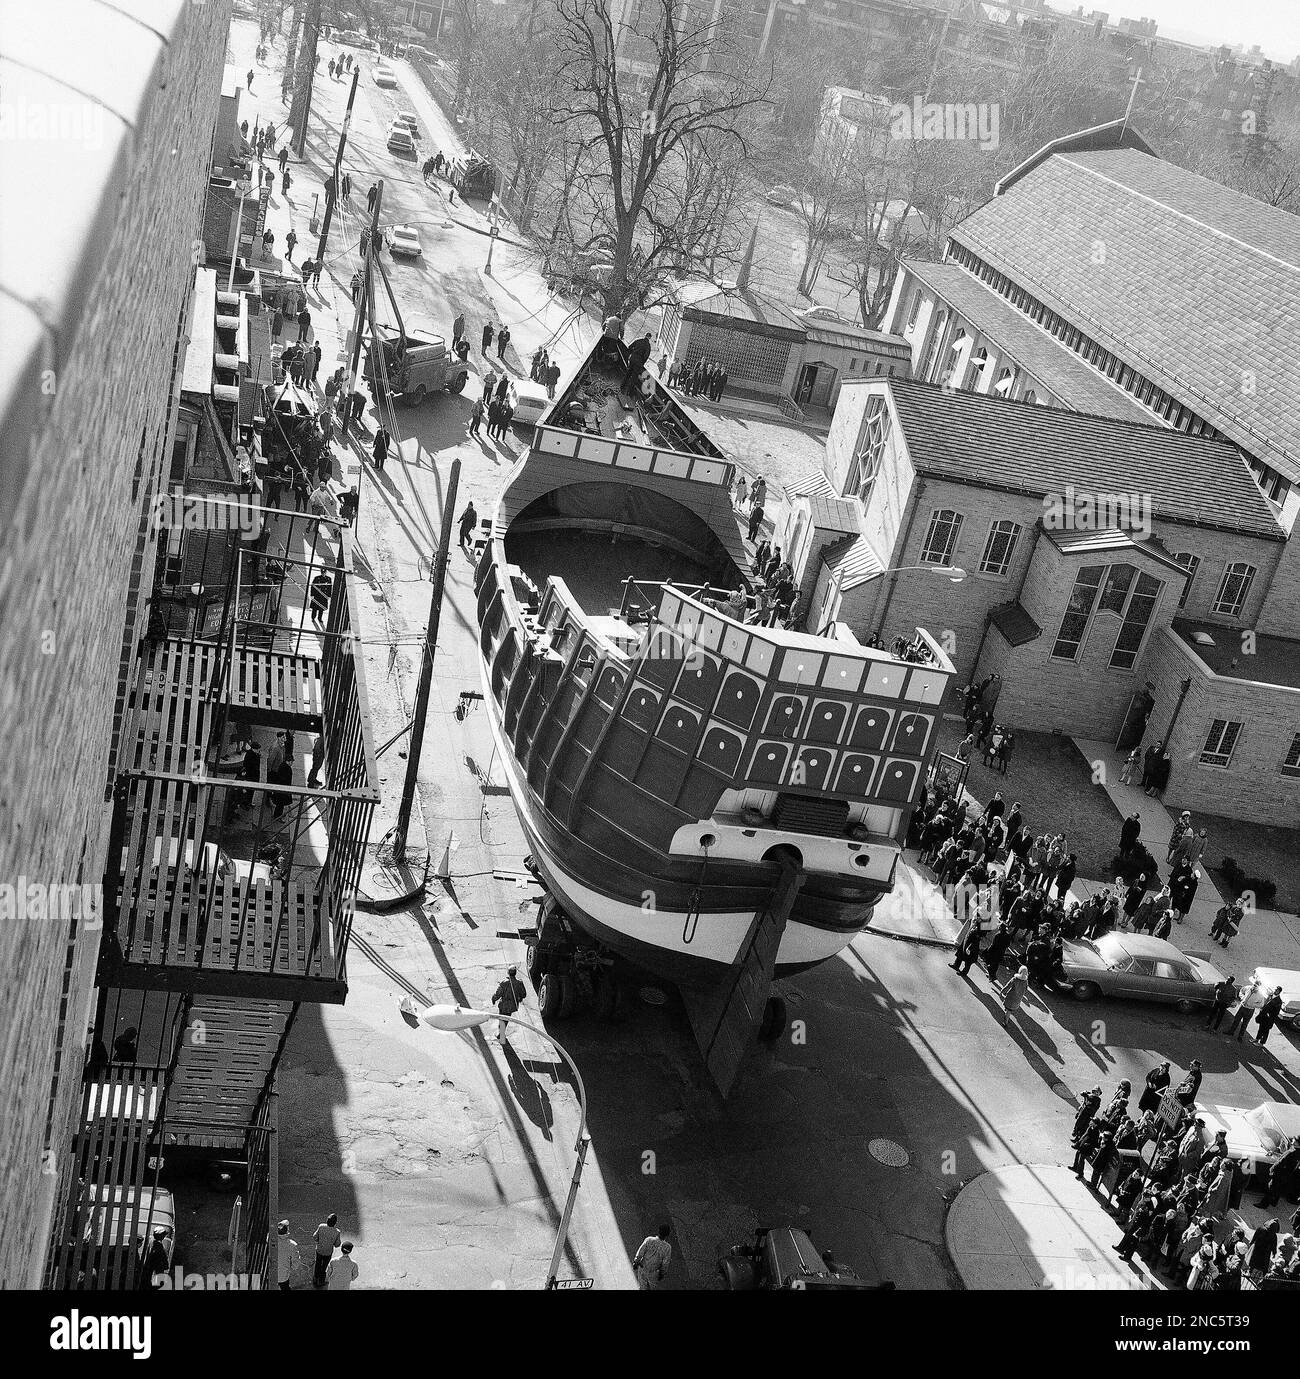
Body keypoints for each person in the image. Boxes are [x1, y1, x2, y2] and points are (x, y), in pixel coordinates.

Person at [491, 965, 526, 1042]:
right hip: (512, 1005)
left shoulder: (504, 983)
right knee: (506, 1019)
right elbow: (524, 994)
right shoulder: (519, 983)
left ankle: (501, 1035)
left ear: (508, 973)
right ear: (515, 973)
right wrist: (519, 998)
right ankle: (502, 1033)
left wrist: (493, 999)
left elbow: (498, 994)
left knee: (501, 1019)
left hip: (503, 1005)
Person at [632, 1225, 671, 1290]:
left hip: (643, 1268)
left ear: (659, 1231)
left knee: (642, 1287)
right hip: (654, 1273)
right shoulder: (667, 1248)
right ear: (667, 1234)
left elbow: (640, 1252)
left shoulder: (649, 1240)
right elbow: (665, 1263)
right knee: (652, 1288)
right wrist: (662, 1273)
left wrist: (636, 1262)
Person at [1228, 975, 1262, 1041]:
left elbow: (1261, 1004)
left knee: (1244, 1024)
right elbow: (1241, 991)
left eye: (1256, 986)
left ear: (1259, 987)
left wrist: (1252, 1005)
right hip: (1242, 1007)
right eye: (1254, 984)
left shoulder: (1260, 995)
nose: (1254, 986)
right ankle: (1231, 1032)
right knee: (1236, 1020)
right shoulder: (1248, 988)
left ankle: (1240, 1037)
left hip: (1250, 1010)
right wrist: (1242, 997)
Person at [312, 1213, 342, 1289]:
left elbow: (315, 1237)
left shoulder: (321, 1226)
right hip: (328, 1252)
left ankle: (315, 1278)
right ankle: (321, 1280)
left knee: (318, 1264)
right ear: (335, 1223)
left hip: (319, 1250)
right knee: (324, 1266)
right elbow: (337, 1244)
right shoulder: (337, 1232)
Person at [999, 964, 1029, 1029]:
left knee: (1008, 1011)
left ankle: (1005, 1022)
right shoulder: (1026, 981)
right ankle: (1007, 1013)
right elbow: (1026, 989)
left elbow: (1008, 986)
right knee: (1010, 1009)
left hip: (1011, 997)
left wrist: (1002, 991)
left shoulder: (1015, 979)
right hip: (1018, 999)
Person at [276, 1221, 301, 1290]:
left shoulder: (269, 1240)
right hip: (283, 1275)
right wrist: (293, 1267)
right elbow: (295, 1263)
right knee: (285, 1287)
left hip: (271, 1272)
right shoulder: (292, 1245)